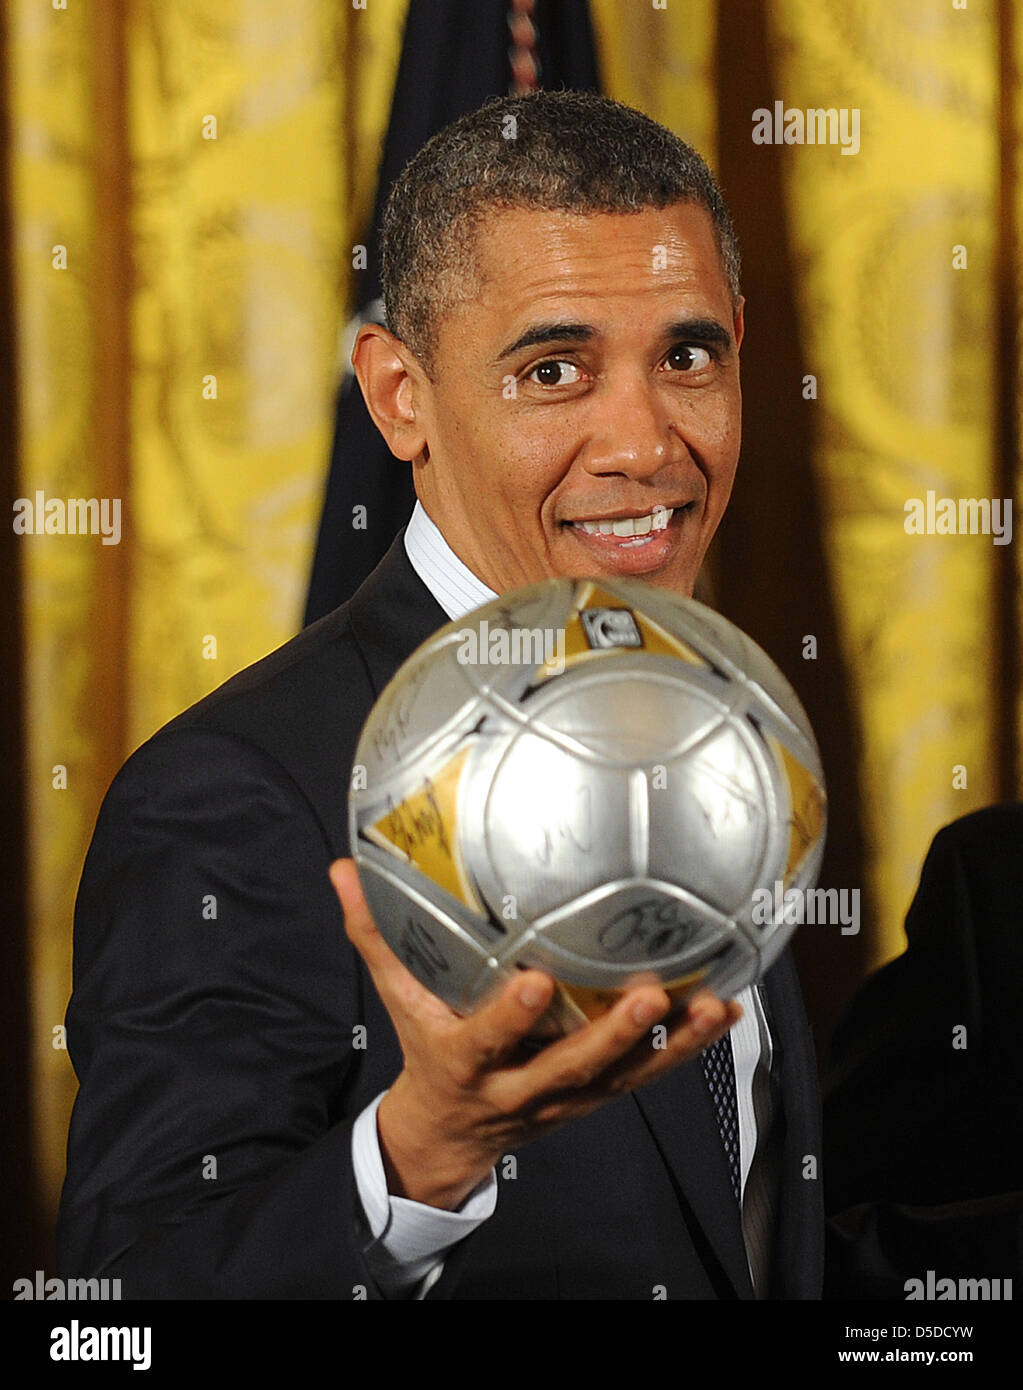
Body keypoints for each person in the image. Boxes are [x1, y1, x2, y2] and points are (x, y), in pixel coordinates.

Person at [57, 90, 823, 1299]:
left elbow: (743, 1247)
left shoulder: (730, 726)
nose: (644, 443)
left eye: (686, 355)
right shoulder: (234, 794)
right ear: (399, 394)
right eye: (555, 368)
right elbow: (120, 1311)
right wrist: (422, 1157)